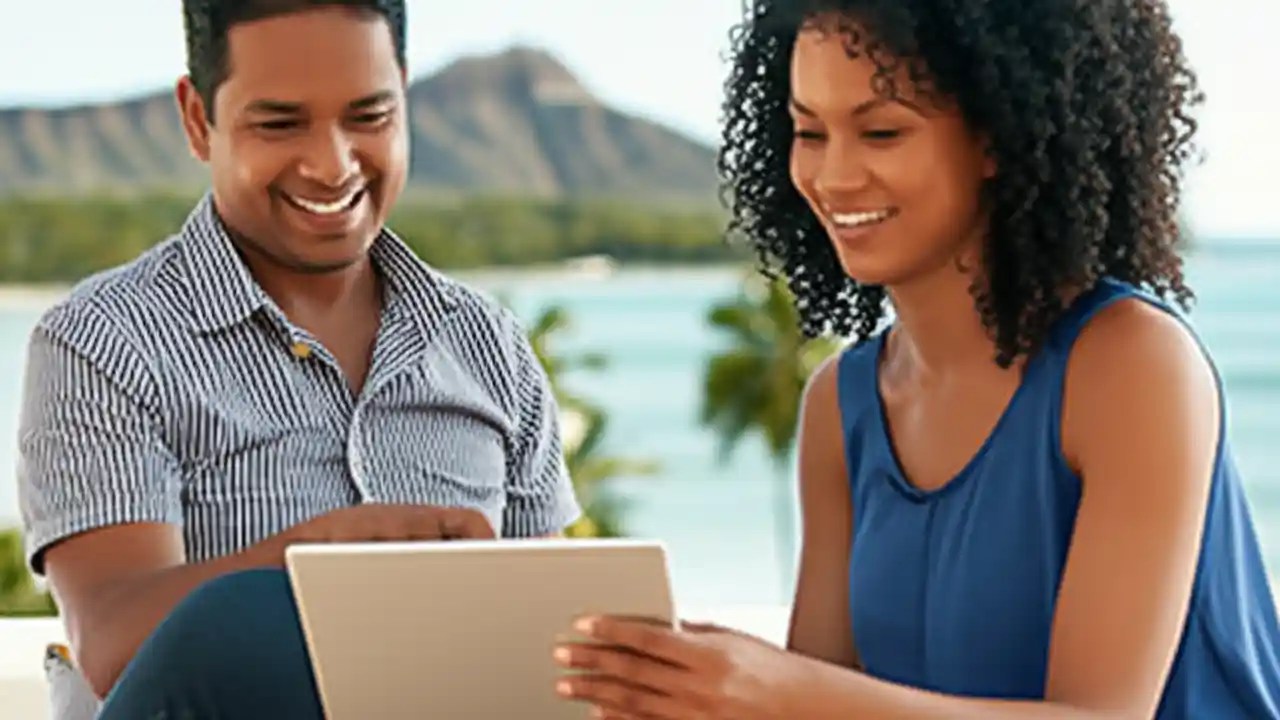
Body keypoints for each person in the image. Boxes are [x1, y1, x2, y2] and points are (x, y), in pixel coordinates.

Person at [551, 1, 1280, 718]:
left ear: (1000, 136)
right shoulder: (842, 404)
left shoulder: (1130, 365)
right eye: (809, 131)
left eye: (881, 131)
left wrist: (778, 690)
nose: (833, 178)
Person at [16, 1, 581, 718]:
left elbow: (559, 650)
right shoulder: (103, 343)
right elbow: (113, 642)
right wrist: (317, 554)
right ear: (198, 119)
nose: (332, 164)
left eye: (369, 116)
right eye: (280, 124)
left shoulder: (488, 346)